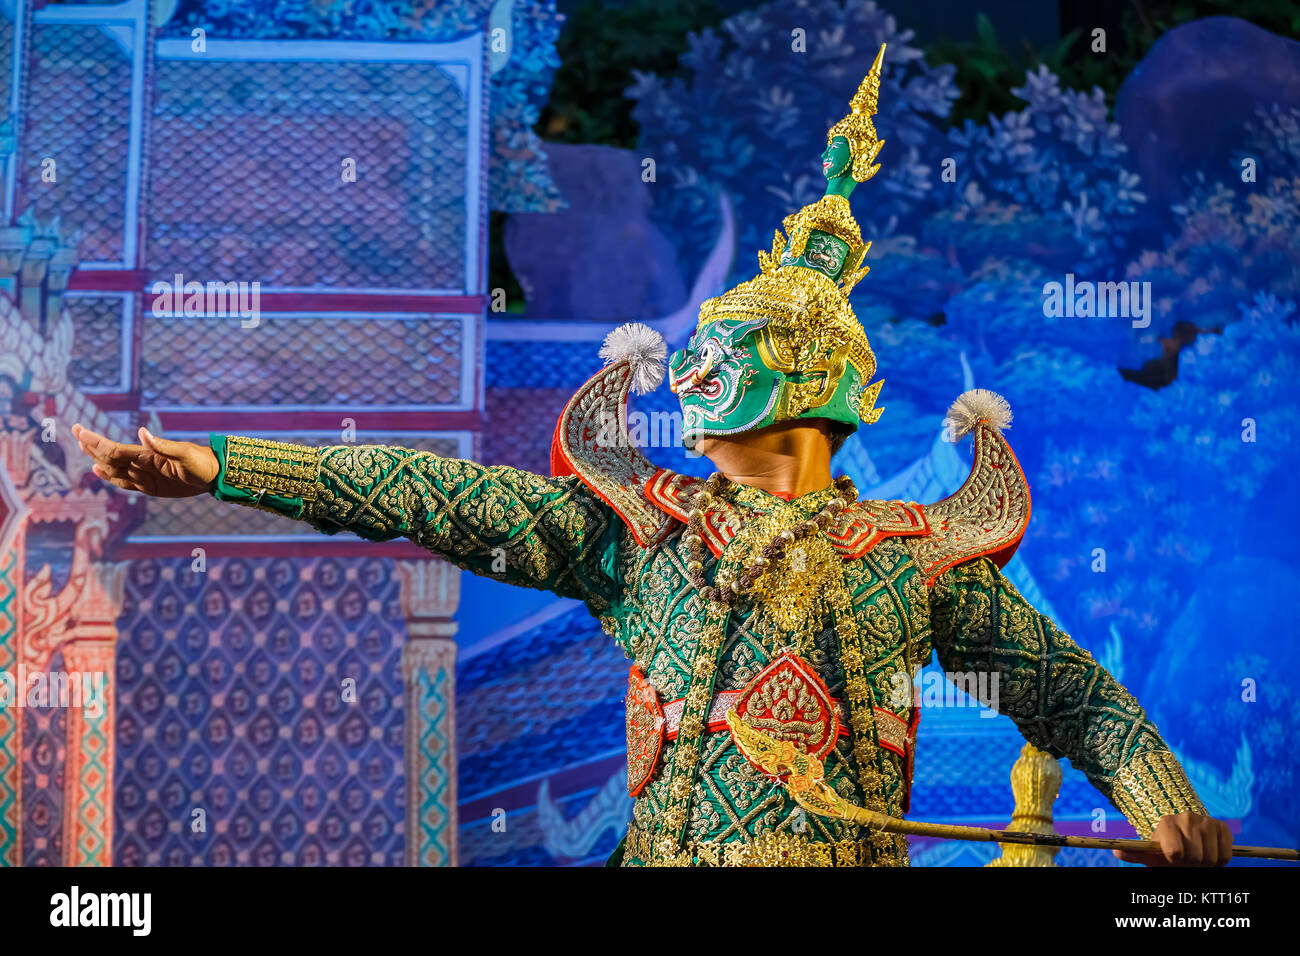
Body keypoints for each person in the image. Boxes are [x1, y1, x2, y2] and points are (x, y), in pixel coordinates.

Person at [72, 46, 1232, 867]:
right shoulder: (643, 538)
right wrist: (223, 462)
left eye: (729, 347)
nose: (694, 368)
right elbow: (426, 493)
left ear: (810, 381)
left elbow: (1073, 693)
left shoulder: (911, 560)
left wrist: (1163, 796)